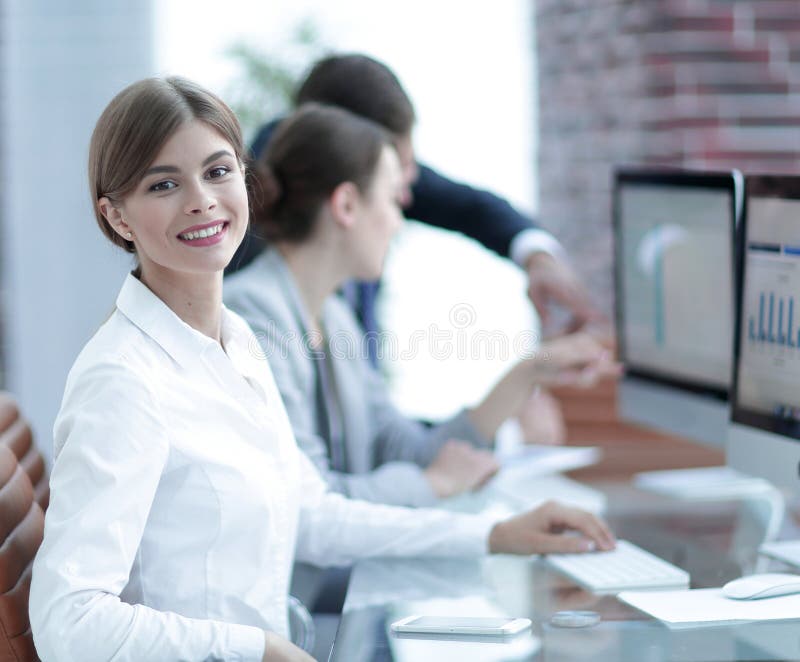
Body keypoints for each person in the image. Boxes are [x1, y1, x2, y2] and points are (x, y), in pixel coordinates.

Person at [29, 77, 615, 662]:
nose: (202, 200)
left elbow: (311, 514)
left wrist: (493, 535)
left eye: (217, 171)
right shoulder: (123, 380)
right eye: (163, 184)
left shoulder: (236, 342)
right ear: (118, 217)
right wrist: (255, 648)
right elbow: (69, 624)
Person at [225, 103, 616, 508]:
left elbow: (409, 453)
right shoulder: (254, 315)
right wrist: (434, 486)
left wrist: (529, 373)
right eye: (394, 200)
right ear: (345, 206)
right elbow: (307, 504)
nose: (398, 222)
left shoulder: (335, 317)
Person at [232, 53, 594, 443]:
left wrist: (537, 265)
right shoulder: (256, 312)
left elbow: (380, 443)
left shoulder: (334, 317)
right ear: (346, 193)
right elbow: (313, 490)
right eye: (395, 182)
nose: (409, 196)